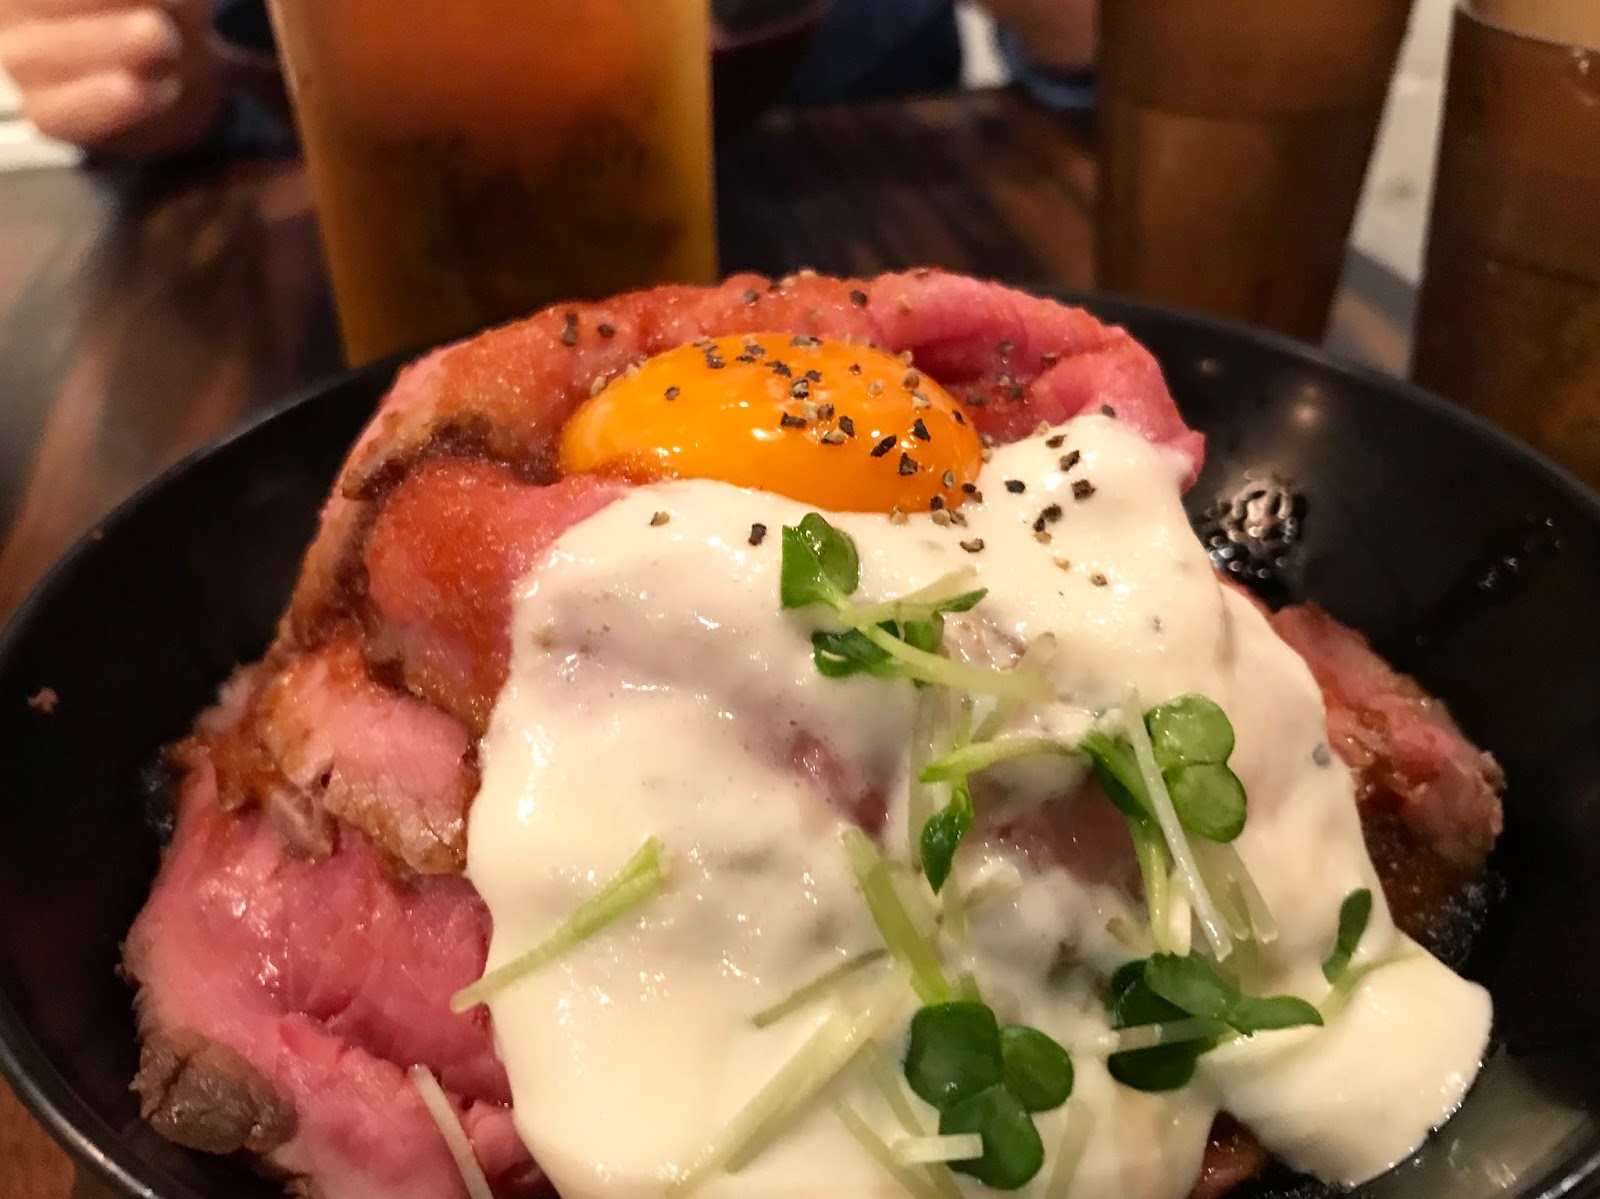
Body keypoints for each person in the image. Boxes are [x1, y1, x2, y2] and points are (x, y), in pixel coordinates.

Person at [0, 0, 1094, 158]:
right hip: (346, 252)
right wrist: (142, 70)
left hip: (870, 164)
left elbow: (1091, 60)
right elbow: (183, 59)